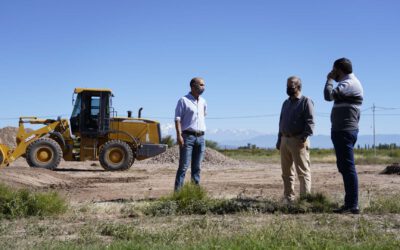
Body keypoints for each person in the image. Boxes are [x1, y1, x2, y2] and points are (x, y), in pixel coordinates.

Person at [324, 58, 363, 214]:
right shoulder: (347, 83)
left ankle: (352, 205)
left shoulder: (348, 84)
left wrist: (329, 80)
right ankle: (350, 203)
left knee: (347, 167)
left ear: (338, 70)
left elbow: (328, 96)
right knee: (345, 167)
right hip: (343, 130)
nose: (333, 73)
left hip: (345, 131)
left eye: (334, 70)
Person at [276, 76, 315, 203]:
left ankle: (304, 200)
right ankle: (289, 198)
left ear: (298, 86)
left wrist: (303, 137)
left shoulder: (306, 101)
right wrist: (279, 139)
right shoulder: (285, 103)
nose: (288, 89)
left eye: (291, 86)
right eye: (287, 86)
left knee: (303, 172)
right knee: (286, 173)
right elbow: (281, 121)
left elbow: (310, 122)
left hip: (298, 140)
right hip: (284, 140)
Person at [174, 77, 207, 191]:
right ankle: (177, 194)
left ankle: (195, 193)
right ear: (193, 86)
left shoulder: (203, 101)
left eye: (204, 85)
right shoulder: (183, 100)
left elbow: (204, 115)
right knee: (183, 167)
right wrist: (179, 135)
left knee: (197, 168)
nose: (203, 87)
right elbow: (177, 119)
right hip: (187, 137)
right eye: (201, 85)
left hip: (201, 138)